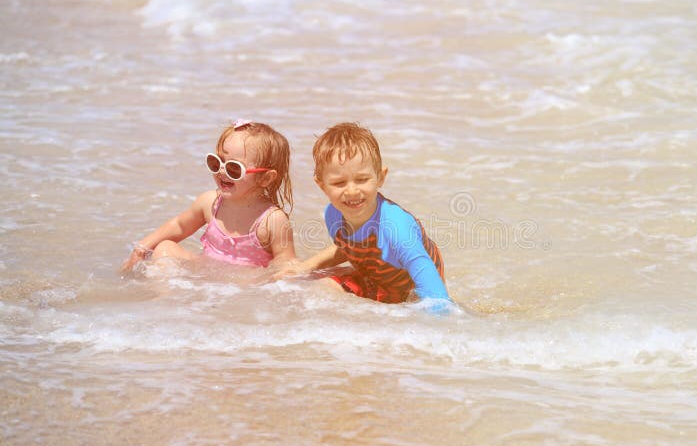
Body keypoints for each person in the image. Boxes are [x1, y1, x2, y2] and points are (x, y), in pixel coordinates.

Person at [285, 122, 451, 310]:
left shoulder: (397, 229)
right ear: (321, 184)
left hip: (411, 289)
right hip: (377, 277)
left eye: (362, 179)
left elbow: (437, 297)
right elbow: (348, 246)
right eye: (339, 183)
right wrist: (307, 267)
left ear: (380, 177)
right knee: (315, 289)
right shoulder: (333, 215)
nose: (352, 191)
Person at [120, 119, 295, 273]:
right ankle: (164, 302)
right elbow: (179, 226)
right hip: (206, 273)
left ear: (265, 178)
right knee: (165, 248)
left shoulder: (272, 220)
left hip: (244, 284)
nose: (221, 171)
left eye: (233, 168)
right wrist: (143, 247)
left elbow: (285, 261)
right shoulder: (210, 202)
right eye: (216, 162)